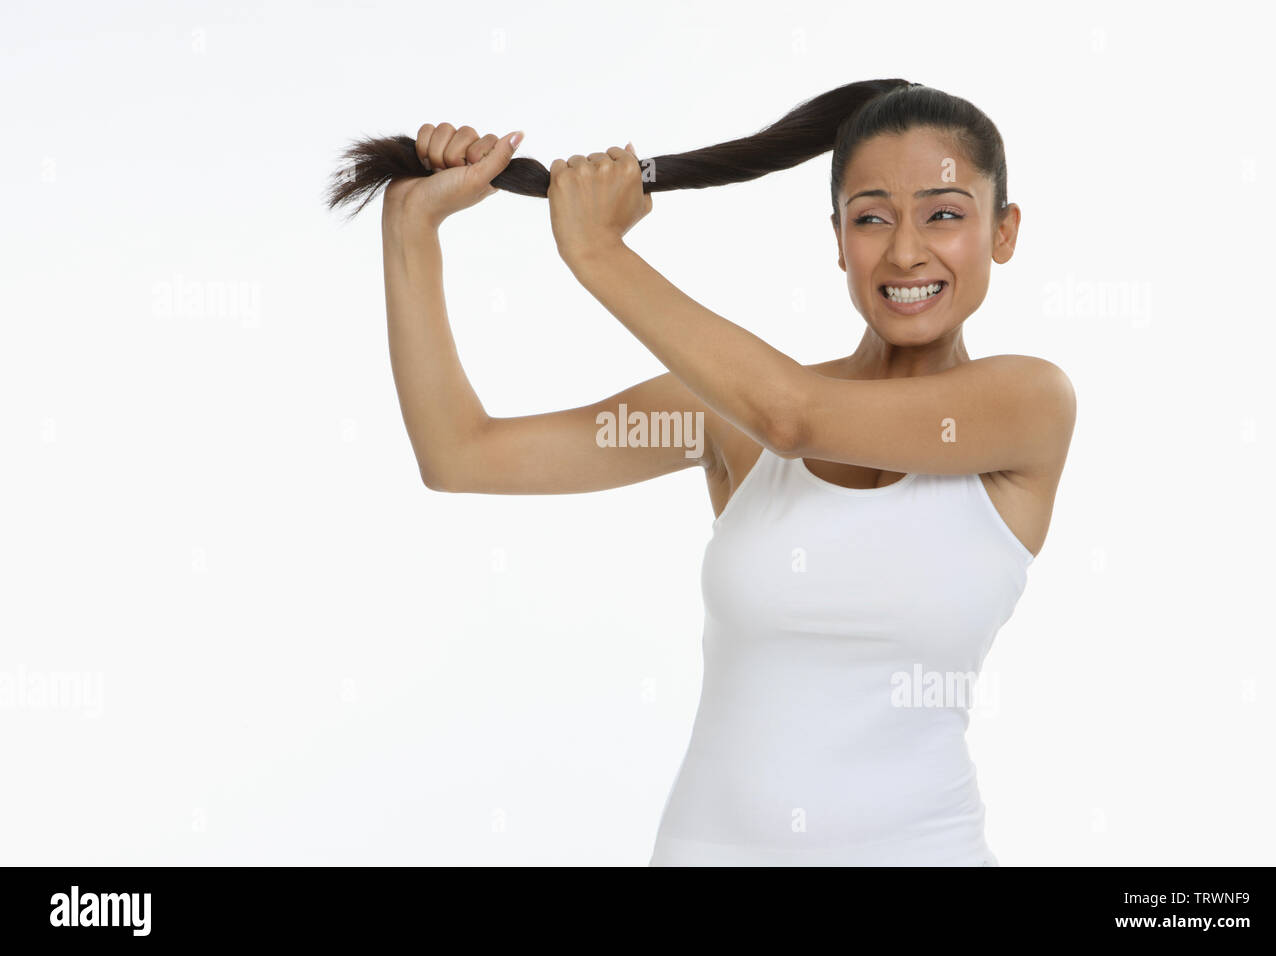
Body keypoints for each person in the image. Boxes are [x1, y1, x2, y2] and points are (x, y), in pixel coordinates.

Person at [337, 81, 1076, 865]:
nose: (904, 250)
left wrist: (596, 250)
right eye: (870, 217)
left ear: (1004, 231)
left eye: (944, 213)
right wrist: (410, 228)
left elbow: (793, 419)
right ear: (836, 239)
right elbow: (460, 453)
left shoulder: (1026, 405)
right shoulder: (725, 414)